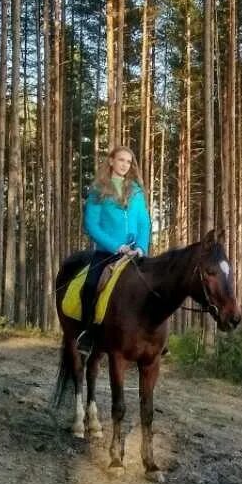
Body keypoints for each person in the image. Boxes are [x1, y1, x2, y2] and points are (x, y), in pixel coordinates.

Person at [76, 145, 152, 351]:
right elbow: (92, 225)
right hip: (107, 253)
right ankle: (87, 334)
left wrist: (141, 248)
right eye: (121, 160)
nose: (125, 165)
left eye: (128, 162)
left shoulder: (136, 191)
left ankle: (152, 337)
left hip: (135, 253)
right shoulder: (98, 190)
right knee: (90, 286)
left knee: (153, 287)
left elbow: (144, 223)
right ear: (111, 161)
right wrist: (116, 246)